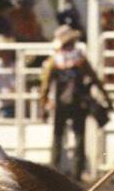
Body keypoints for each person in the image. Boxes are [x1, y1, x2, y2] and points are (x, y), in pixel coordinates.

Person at [39, 25, 109, 182]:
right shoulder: (80, 59)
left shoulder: (54, 60)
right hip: (78, 103)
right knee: (79, 136)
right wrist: (106, 97)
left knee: (57, 136)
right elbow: (95, 78)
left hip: (61, 104)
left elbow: (45, 86)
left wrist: (42, 106)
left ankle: (55, 171)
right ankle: (78, 172)